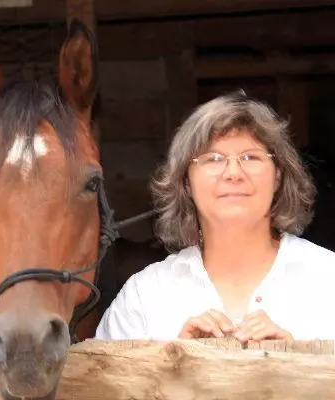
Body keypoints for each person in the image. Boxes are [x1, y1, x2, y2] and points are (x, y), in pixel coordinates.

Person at [95, 91, 335, 343]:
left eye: (250, 157)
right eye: (214, 159)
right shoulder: (144, 297)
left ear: (277, 177)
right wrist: (175, 364)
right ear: (186, 182)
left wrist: (298, 363)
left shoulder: (327, 278)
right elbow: (100, 380)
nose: (233, 172)